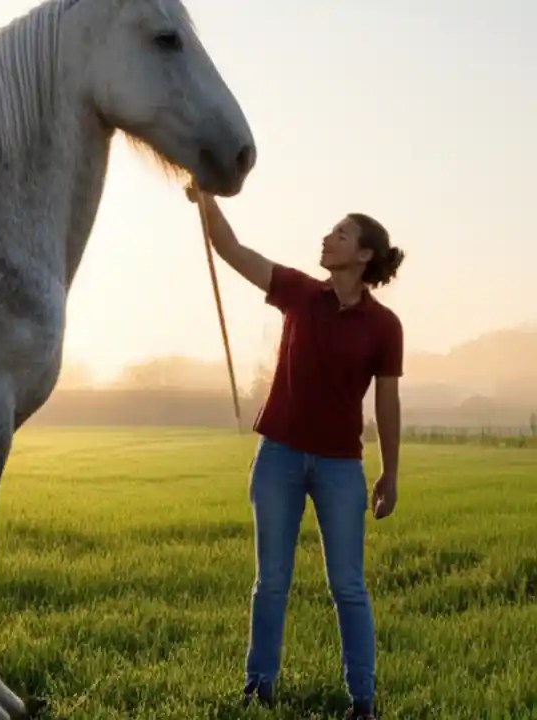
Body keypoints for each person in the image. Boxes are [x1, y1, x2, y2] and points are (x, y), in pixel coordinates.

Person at [187, 187, 405, 720]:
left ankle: (363, 700)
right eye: (330, 232)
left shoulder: (384, 326)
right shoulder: (299, 292)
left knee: (349, 586)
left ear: (364, 255)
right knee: (272, 582)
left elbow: (388, 401)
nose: (327, 239)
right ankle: (258, 687)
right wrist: (208, 202)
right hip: (279, 457)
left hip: (339, 467)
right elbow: (233, 250)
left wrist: (391, 473)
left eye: (341, 234)